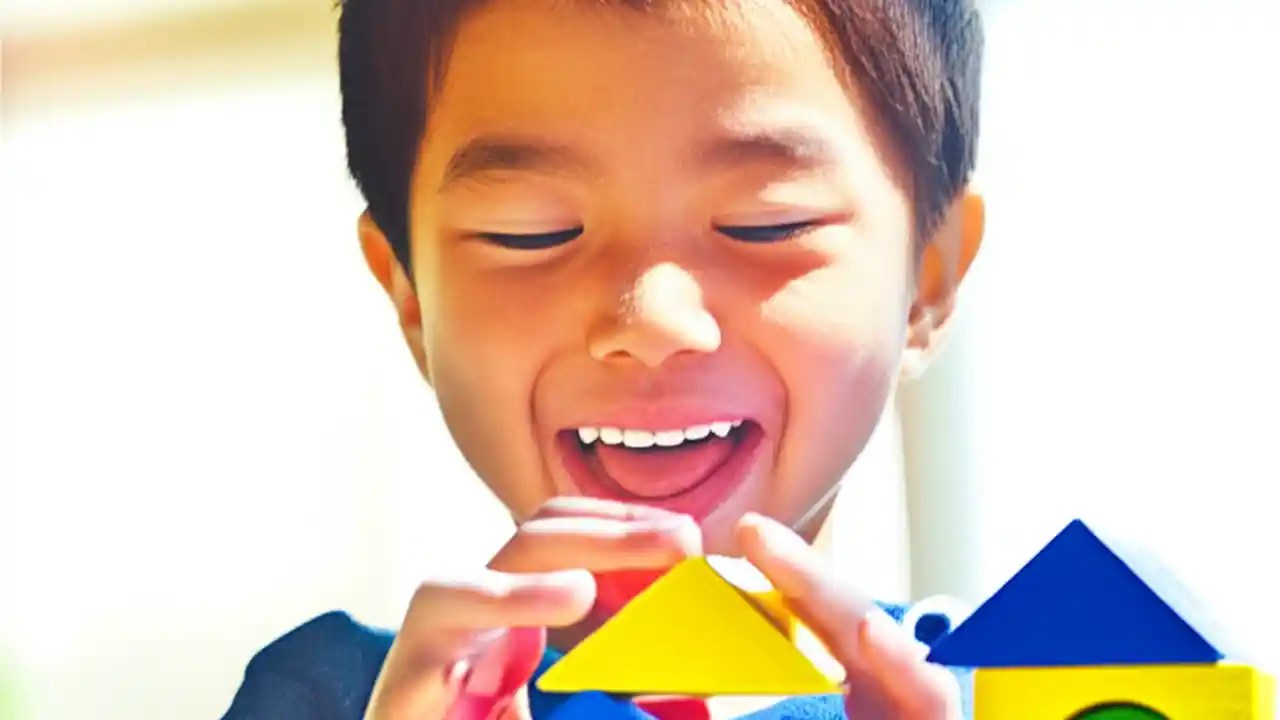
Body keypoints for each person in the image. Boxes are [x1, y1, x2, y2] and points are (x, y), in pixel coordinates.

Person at [223, 0, 985, 717]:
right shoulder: (330, 697)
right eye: (529, 234)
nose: (649, 320)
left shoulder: (1040, 683)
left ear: (928, 278)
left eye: (766, 224)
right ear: (411, 297)